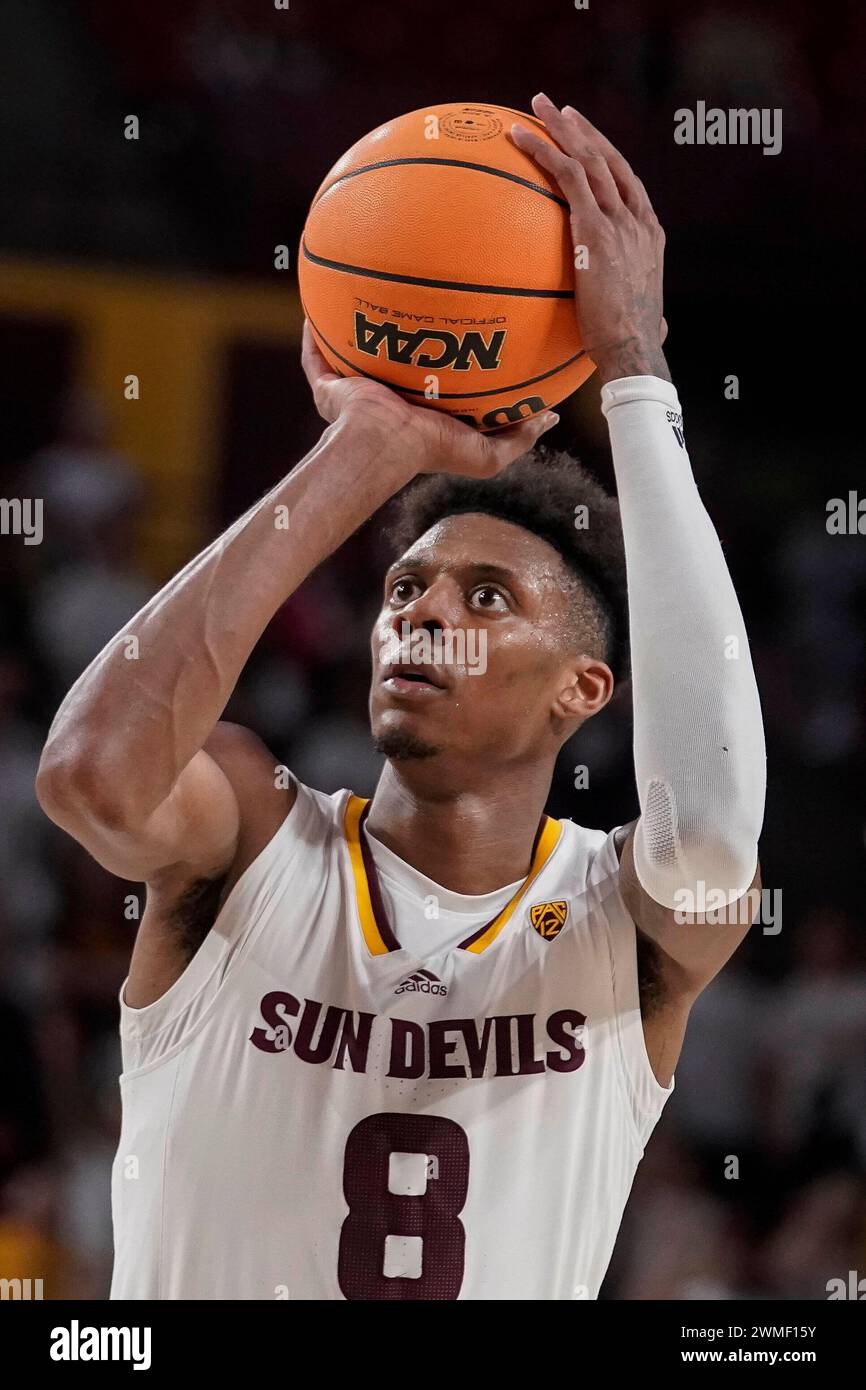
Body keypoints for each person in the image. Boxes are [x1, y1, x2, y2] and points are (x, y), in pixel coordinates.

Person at [36, 96, 766, 1300]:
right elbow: (91, 778)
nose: (424, 615)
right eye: (407, 589)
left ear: (583, 689)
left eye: (488, 599)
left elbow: (708, 833)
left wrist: (634, 372)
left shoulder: (615, 920)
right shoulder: (252, 832)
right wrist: (368, 442)